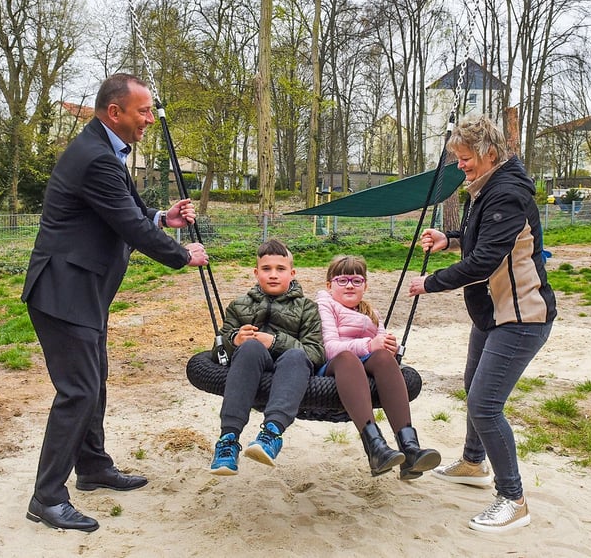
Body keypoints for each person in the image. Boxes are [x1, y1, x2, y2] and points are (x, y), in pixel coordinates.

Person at [22, 72, 208, 532]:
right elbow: (129, 225)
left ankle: (92, 467)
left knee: (94, 381)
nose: (150, 119)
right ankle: (47, 497)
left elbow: (130, 209)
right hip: (63, 292)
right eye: (143, 111)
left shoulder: (105, 150)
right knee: (79, 390)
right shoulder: (96, 158)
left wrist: (163, 217)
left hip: (82, 292)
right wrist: (182, 255)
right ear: (114, 112)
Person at [408, 115, 555, 534]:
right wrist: (449, 239)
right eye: (457, 158)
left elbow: (485, 261)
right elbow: (480, 239)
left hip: (521, 317)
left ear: (489, 154)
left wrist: (430, 283)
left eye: (466, 158)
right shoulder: (486, 187)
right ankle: (474, 463)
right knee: (474, 388)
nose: (460, 166)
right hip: (492, 313)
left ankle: (513, 499)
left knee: (485, 404)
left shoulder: (507, 193)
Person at [317, 255, 440, 479]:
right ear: (329, 285)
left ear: (365, 286)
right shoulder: (325, 305)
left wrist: (390, 348)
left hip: (364, 366)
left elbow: (380, 344)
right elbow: (329, 348)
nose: (350, 286)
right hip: (334, 367)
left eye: (357, 281)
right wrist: (369, 345)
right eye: (342, 280)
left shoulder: (371, 313)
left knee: (383, 357)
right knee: (348, 358)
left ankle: (410, 449)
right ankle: (375, 447)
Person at [209, 239, 325, 475]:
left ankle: (271, 434)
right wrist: (235, 340)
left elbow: (315, 352)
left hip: (290, 370)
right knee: (250, 348)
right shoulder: (238, 306)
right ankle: (228, 440)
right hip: (251, 366)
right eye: (266, 269)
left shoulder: (307, 308)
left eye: (280, 269)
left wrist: (274, 341)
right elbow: (217, 352)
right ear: (256, 273)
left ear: (292, 273)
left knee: (296, 355)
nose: (273, 275)